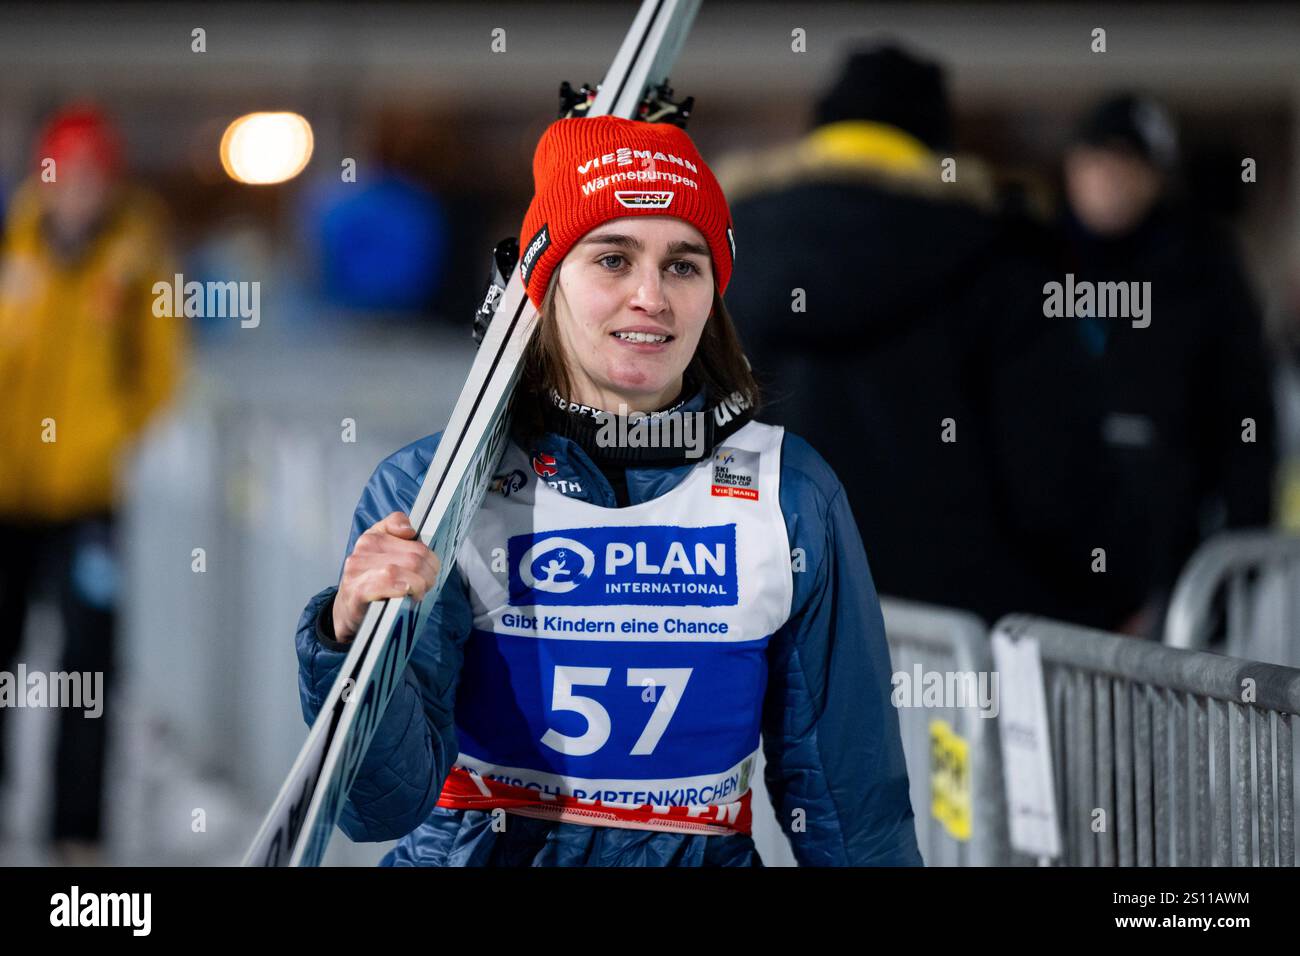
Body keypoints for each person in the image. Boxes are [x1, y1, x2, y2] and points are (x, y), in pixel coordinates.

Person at [294, 114, 922, 866]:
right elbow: (378, 806)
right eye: (613, 259)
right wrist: (349, 639)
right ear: (545, 281)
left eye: (684, 265)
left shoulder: (788, 492)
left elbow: (850, 812)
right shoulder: (438, 489)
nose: (650, 295)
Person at [717, 44, 1132, 629]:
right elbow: (1054, 482)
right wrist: (1112, 592)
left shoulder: (718, 255)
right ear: (938, 146)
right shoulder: (1000, 259)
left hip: (769, 626)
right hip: (964, 654)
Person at [0, 103, 186, 862]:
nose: (77, 189)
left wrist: (110, 437)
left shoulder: (135, 258)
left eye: (90, 176)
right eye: (64, 174)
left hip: (88, 500)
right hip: (7, 493)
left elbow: (161, 370)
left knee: (87, 670)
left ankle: (75, 830)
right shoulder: (14, 253)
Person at [1056, 93, 1277, 636]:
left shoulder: (1202, 270)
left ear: (1156, 178)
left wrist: (1232, 567)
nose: (1110, 178)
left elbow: (1247, 420)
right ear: (1072, 168)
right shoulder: (1031, 262)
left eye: (1129, 163)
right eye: (1097, 160)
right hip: (1051, 566)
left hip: (1169, 566)